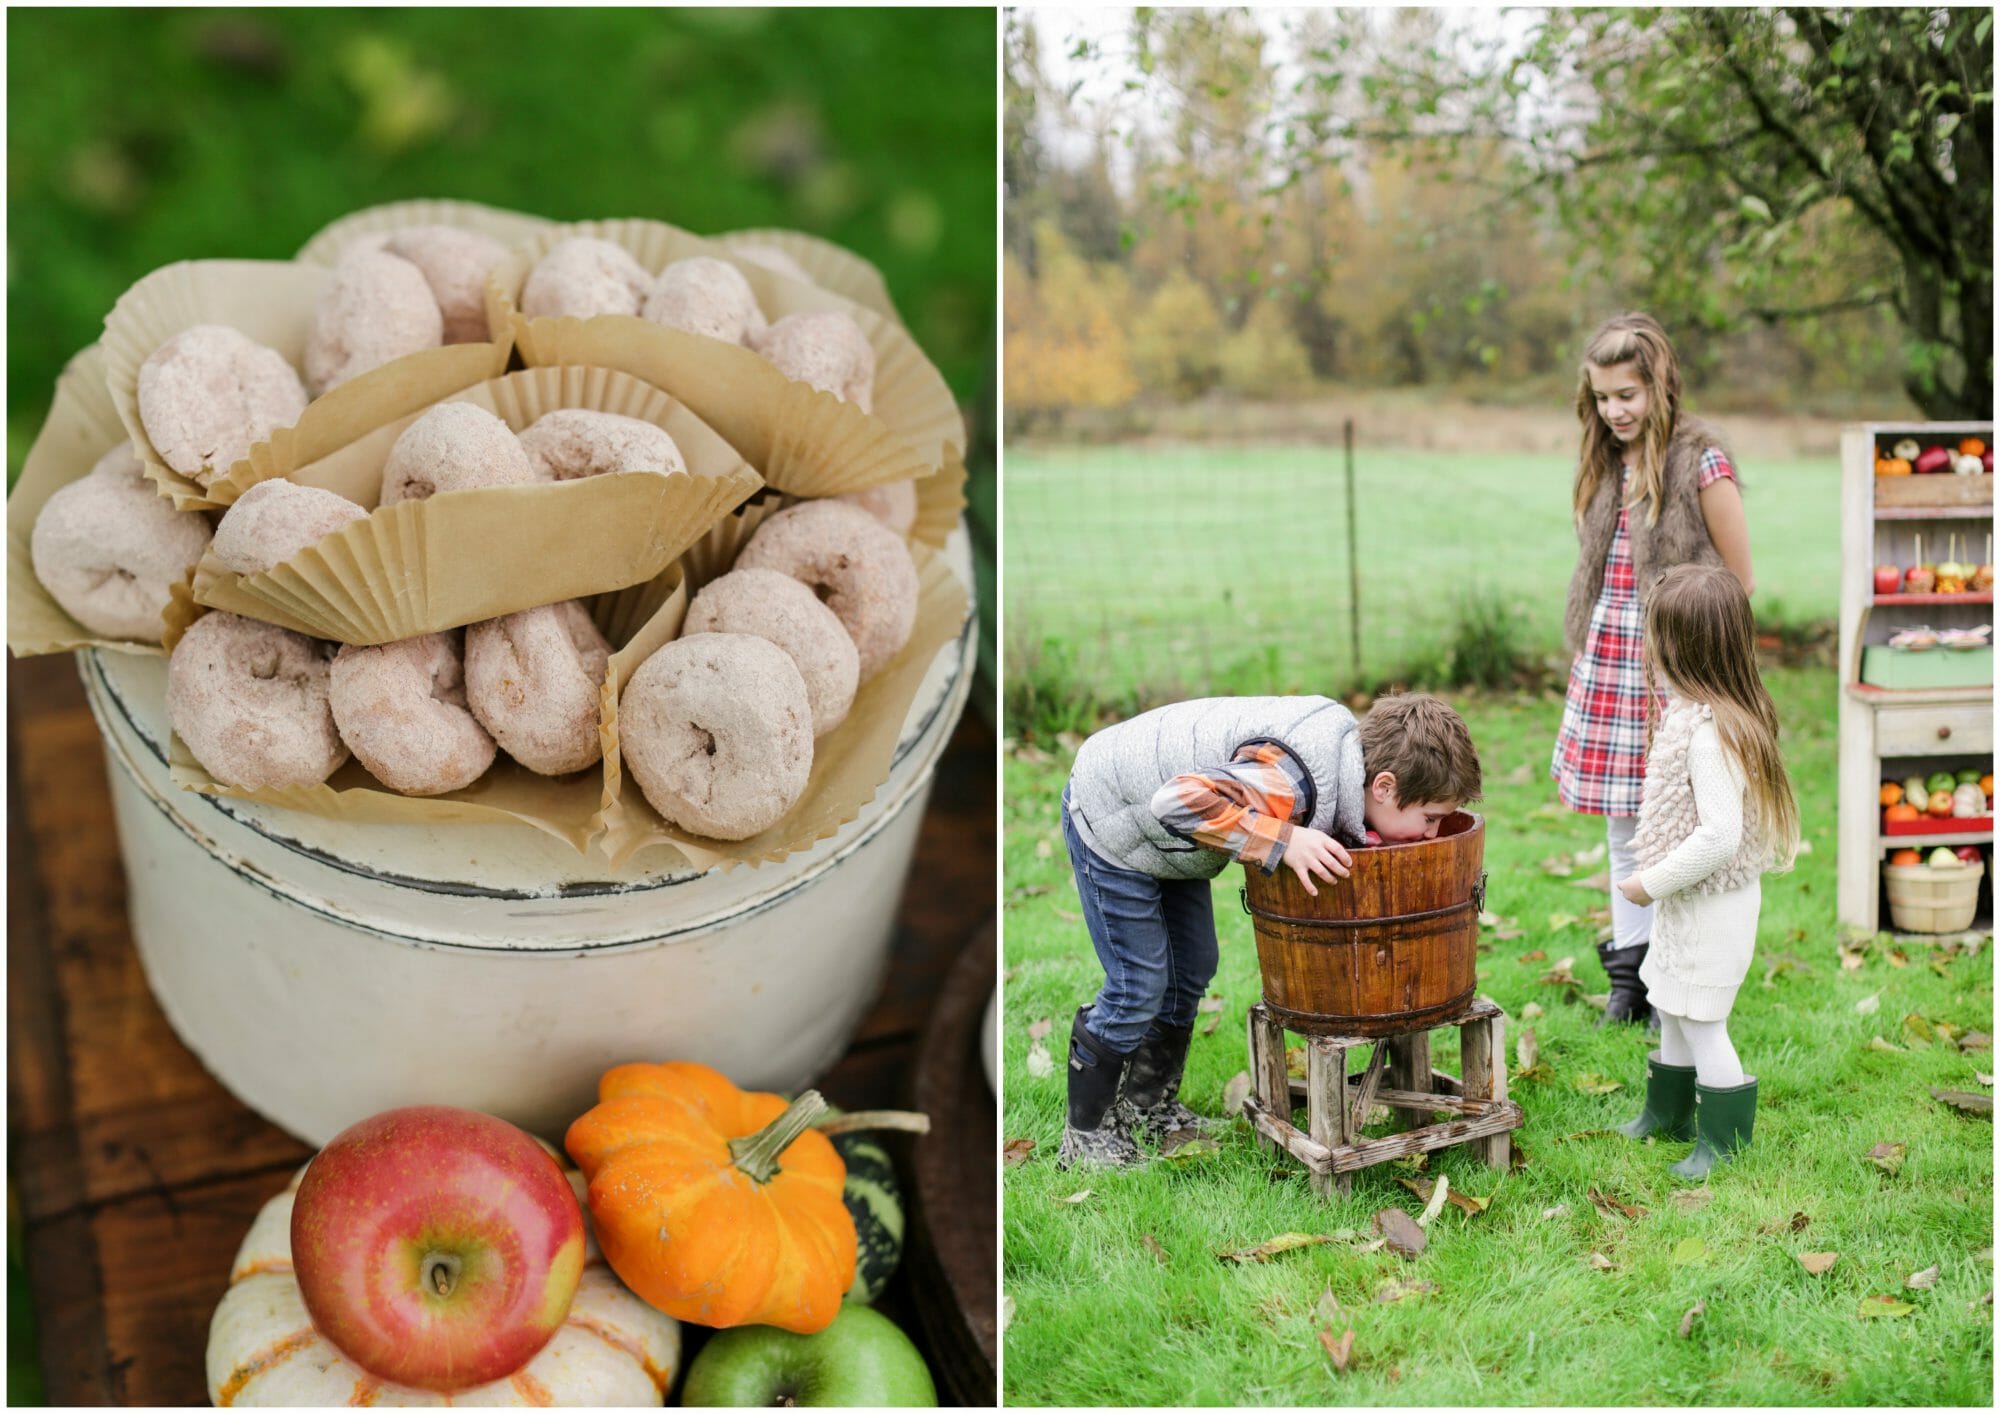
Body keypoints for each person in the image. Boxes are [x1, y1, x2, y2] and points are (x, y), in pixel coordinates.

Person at [1056, 693, 1484, 1168]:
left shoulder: (1344, 766)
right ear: (1382, 787)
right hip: (1112, 818)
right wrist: (1284, 838)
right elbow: (1175, 801)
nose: (1432, 832)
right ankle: (1086, 1136)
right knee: (1138, 983)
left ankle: (1149, 1107)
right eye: (1430, 818)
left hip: (1167, 841)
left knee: (1193, 966)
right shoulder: (1289, 780)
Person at [1551, 312, 1755, 1031]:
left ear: (1660, 384)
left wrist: (1700, 666)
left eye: (1628, 395)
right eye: (1603, 397)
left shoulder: (1701, 460)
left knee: (1676, 820)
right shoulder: (1608, 460)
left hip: (1674, 673)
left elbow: (1739, 580)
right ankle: (1629, 981)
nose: (1615, 411)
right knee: (1622, 825)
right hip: (1610, 663)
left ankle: (1682, 966)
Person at [1612, 563, 1798, 1179]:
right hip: (1690, 906)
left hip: (1710, 907)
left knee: (1703, 1020)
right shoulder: (1694, 715)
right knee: (1669, 1002)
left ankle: (1723, 1141)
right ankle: (1667, 1114)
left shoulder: (1710, 737)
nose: (1650, 654)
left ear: (1682, 651)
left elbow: (1719, 837)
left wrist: (1650, 882)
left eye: (1656, 642)